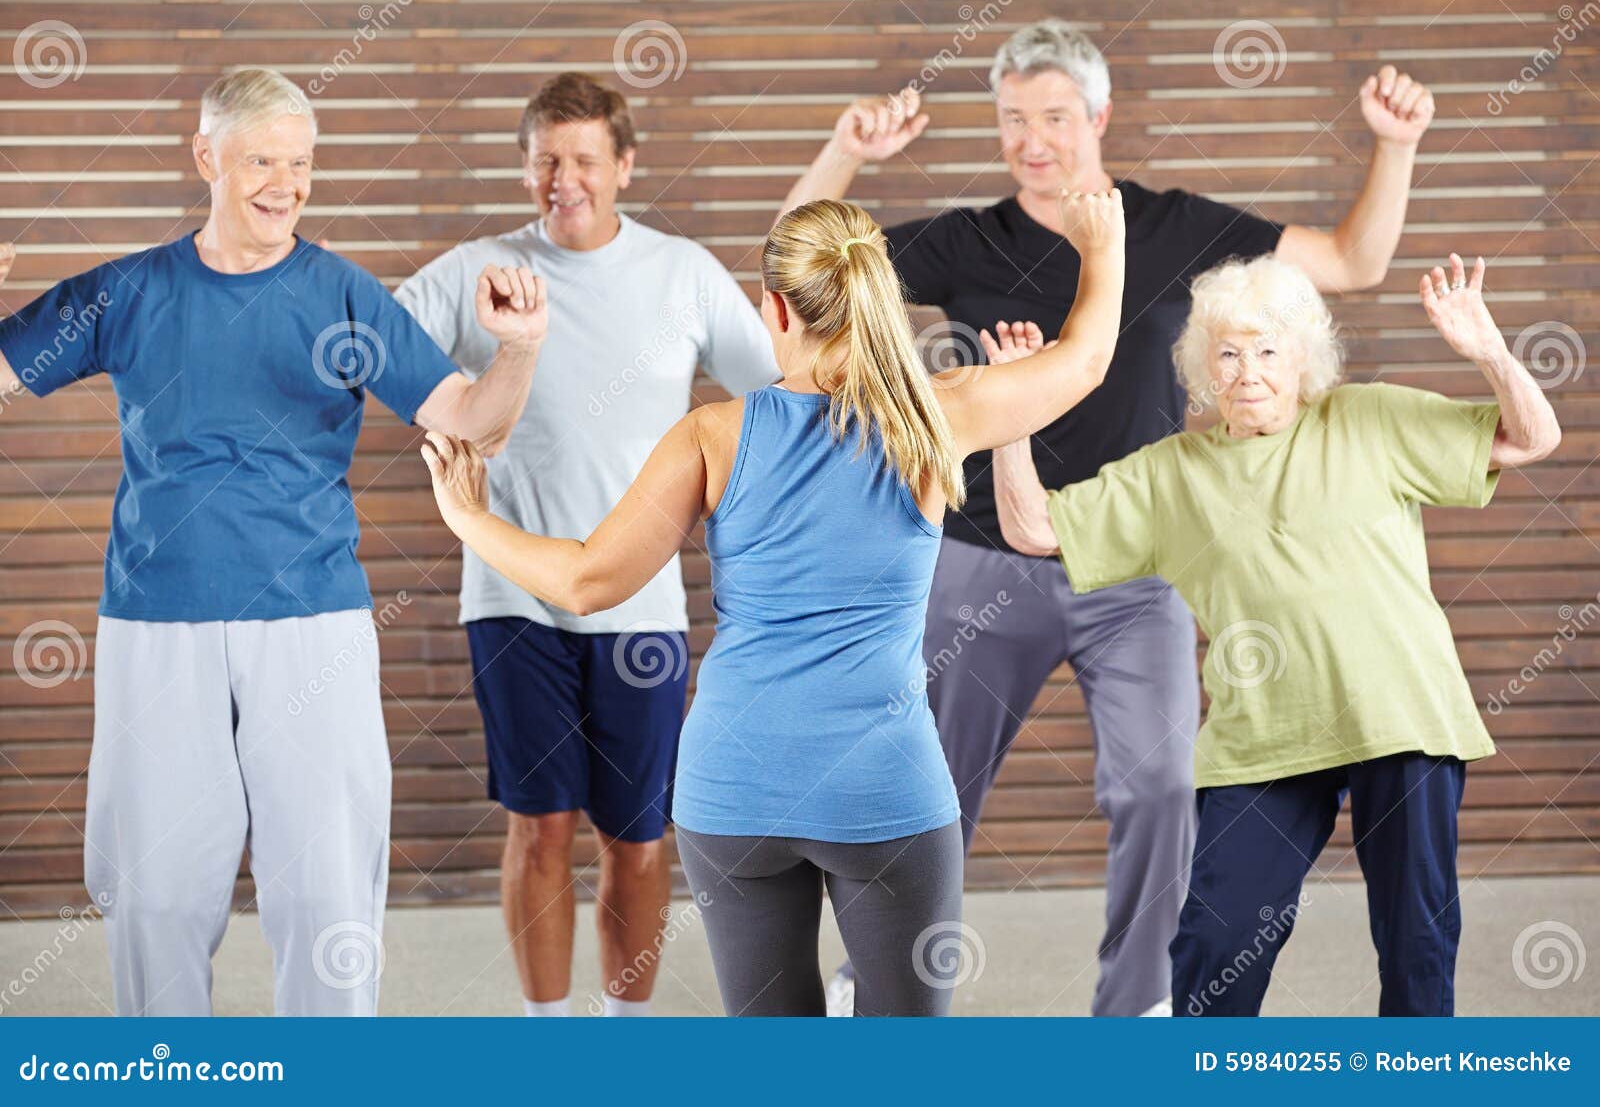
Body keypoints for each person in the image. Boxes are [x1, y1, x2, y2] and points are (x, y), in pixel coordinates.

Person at [782, 17, 1439, 1016]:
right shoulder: (968, 239)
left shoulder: (1174, 226)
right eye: (1011, 120)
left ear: (1097, 115)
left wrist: (1395, 144)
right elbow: (800, 267)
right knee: (927, 796)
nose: (1030, 138)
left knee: (1160, 788)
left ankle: (1137, 1007)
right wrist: (847, 153)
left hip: (1131, 573)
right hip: (978, 563)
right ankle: (877, 977)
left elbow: (1353, 258)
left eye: (1052, 115)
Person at [420, 190, 1128, 1015]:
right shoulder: (940, 412)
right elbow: (1086, 358)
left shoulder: (713, 435)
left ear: (774, 308)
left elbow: (586, 578)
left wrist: (467, 513)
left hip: (737, 789)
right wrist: (1101, 243)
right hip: (885, 789)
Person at [0, 68, 549, 1016]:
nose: (285, 184)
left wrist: (520, 349)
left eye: (301, 164)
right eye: (263, 160)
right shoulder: (127, 292)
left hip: (312, 622)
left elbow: (471, 424)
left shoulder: (343, 293)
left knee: (328, 890)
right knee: (156, 893)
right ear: (207, 157)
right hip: (156, 623)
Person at [988, 252, 1561, 1015]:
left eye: (1267, 348)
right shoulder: (1173, 475)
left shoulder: (1369, 418)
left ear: (1304, 358)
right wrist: (1009, 412)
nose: (1248, 369)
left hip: (1401, 718)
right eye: (1227, 351)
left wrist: (1489, 348)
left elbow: (1531, 438)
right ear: (1203, 368)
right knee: (1215, 943)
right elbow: (1031, 528)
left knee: (1417, 944)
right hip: (1264, 738)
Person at [393, 72, 778, 1018]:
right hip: (513, 597)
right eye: (546, 161)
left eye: (585, 160)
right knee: (540, 825)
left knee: (639, 839)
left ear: (625, 165)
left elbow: (777, 389)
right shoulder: (483, 265)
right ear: (526, 166)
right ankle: (549, 1036)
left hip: (641, 609)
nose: (565, 179)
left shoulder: (683, 272)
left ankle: (623, 1036)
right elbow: (376, 341)